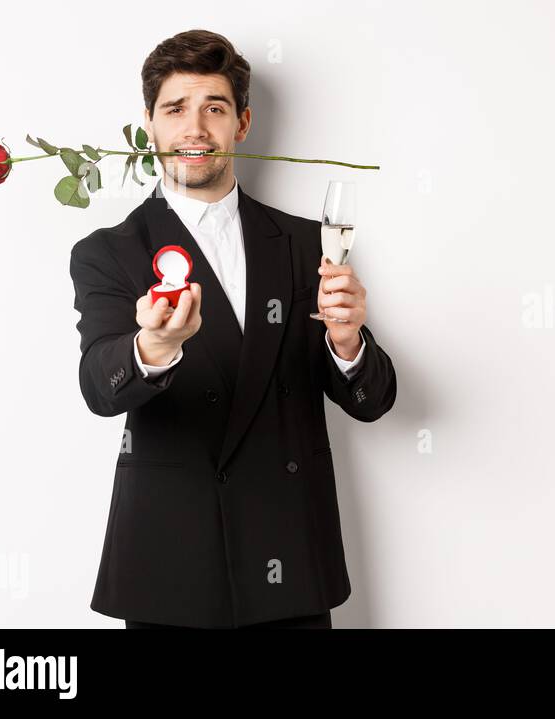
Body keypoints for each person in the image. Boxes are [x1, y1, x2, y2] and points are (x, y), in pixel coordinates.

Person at [68, 29, 396, 628]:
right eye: (175, 109)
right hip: (169, 570)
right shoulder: (108, 252)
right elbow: (98, 385)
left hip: (291, 561)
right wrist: (153, 348)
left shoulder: (304, 243)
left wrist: (347, 344)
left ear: (242, 124)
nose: (194, 128)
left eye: (214, 108)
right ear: (149, 126)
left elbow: (372, 402)